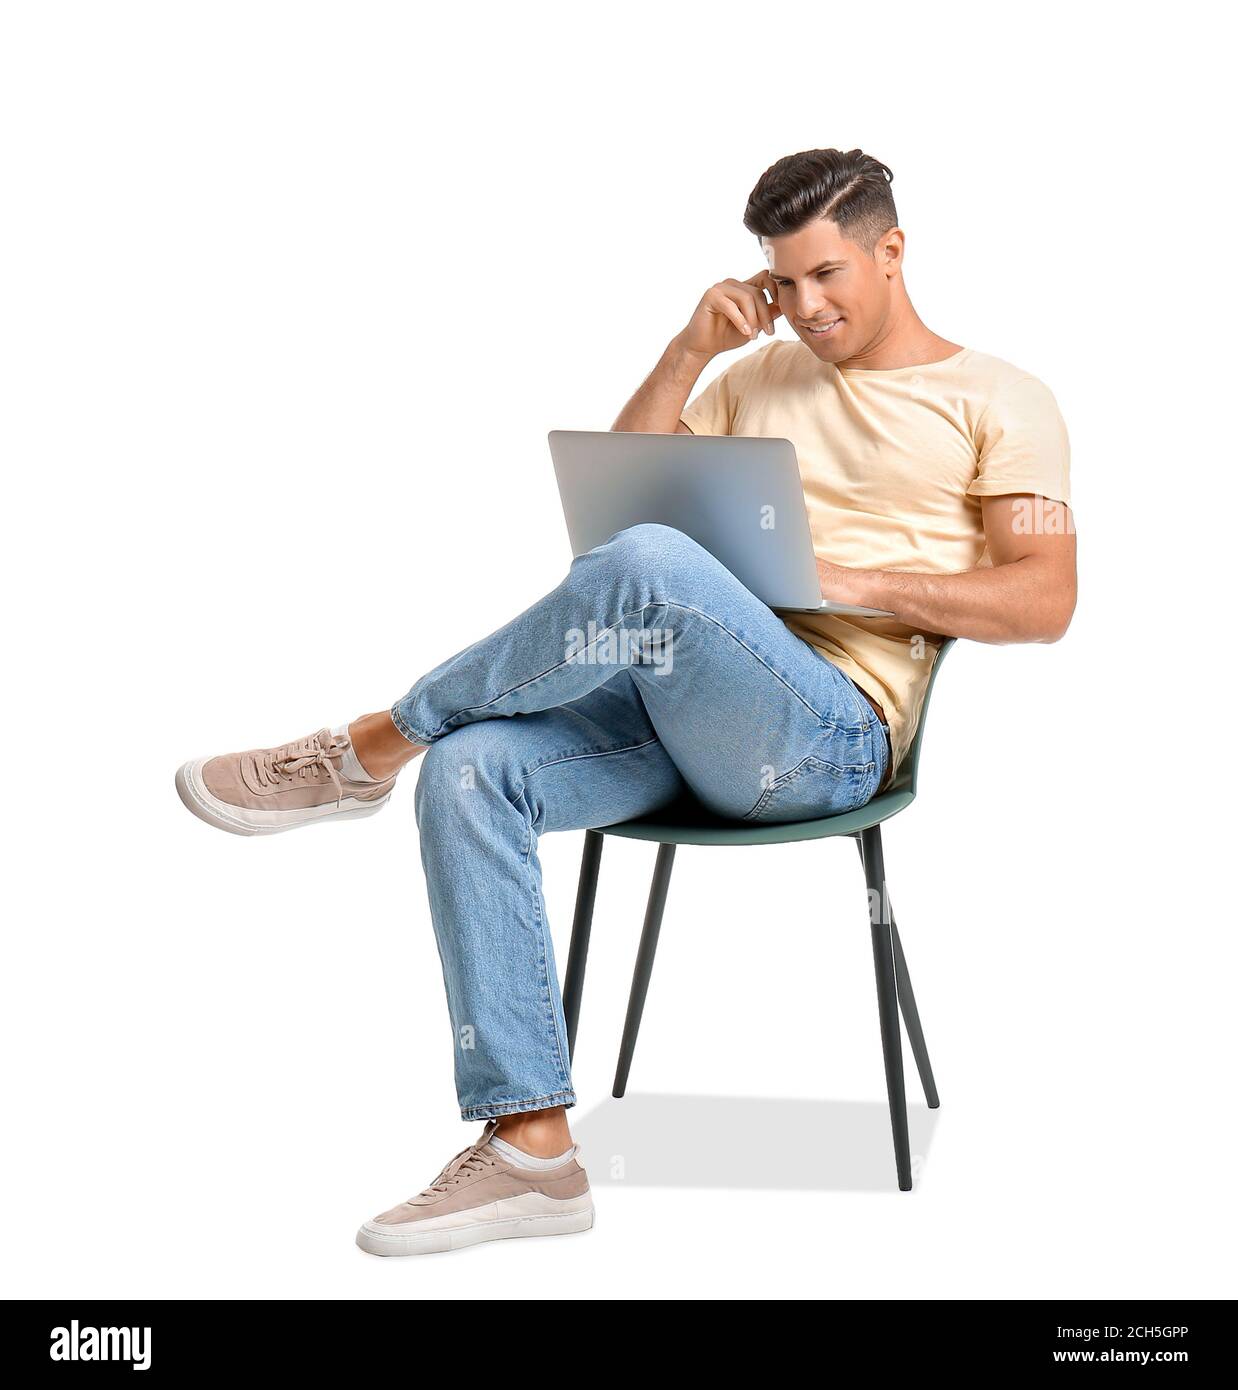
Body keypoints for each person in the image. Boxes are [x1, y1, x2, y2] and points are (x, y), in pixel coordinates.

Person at [175, 147, 1077, 1257]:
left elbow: (1044, 597)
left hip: (827, 737)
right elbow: (610, 529)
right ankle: (533, 1148)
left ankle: (370, 741)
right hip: (674, 709)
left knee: (644, 568)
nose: (804, 307)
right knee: (476, 771)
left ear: (892, 252)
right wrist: (691, 349)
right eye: (781, 283)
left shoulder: (1000, 397)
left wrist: (851, 582)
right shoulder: (753, 374)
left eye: (828, 275)